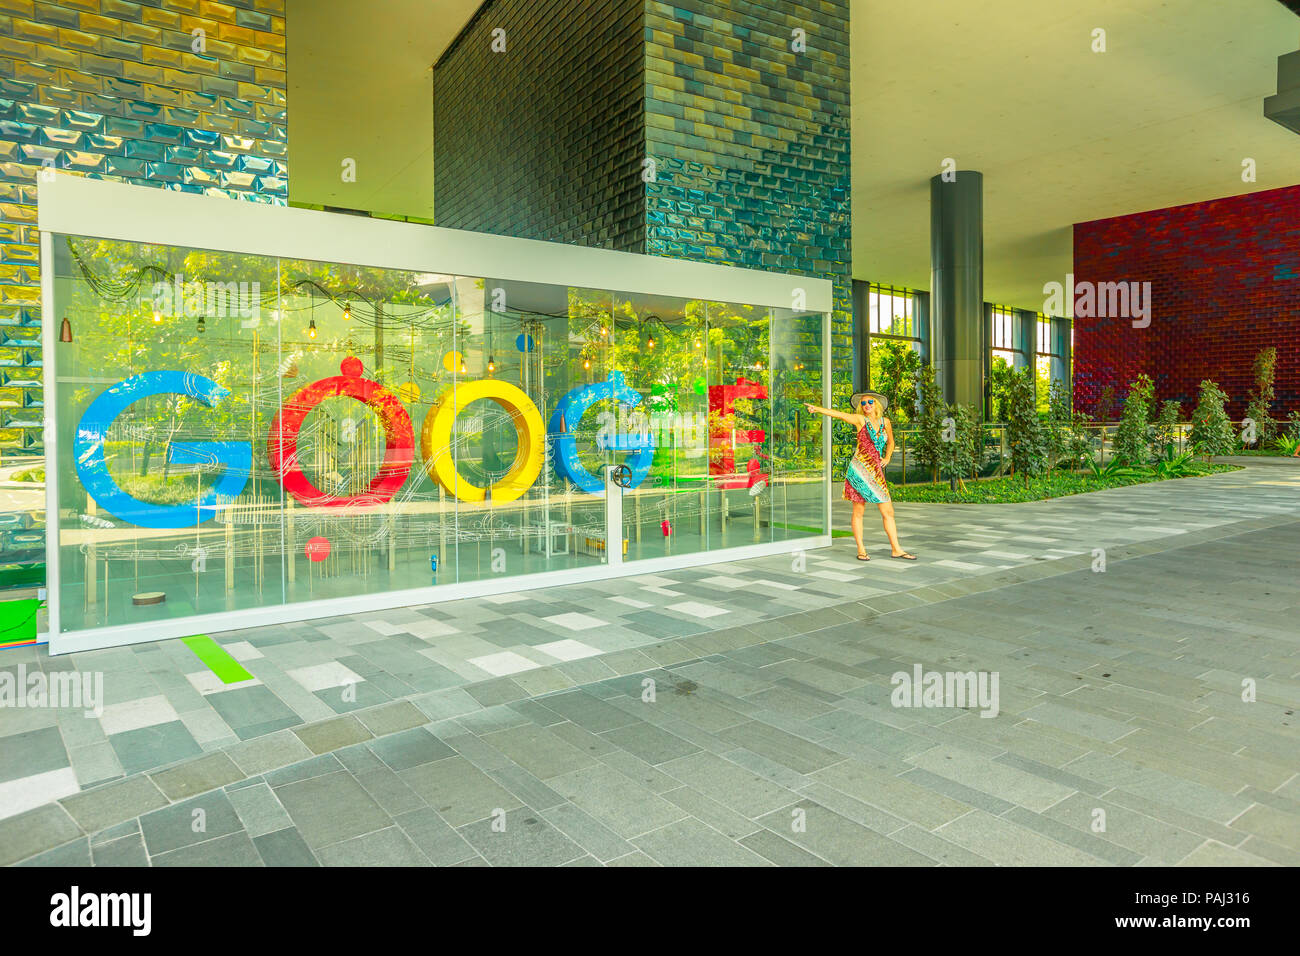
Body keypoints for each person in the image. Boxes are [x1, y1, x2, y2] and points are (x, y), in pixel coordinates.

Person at [805, 391, 916, 561]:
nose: (867, 405)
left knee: (888, 511)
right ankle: (861, 549)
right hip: (859, 471)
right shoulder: (860, 420)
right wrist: (818, 409)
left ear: (877, 404)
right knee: (858, 511)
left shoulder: (885, 422)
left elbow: (891, 442)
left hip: (876, 472)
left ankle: (896, 549)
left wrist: (887, 457)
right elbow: (839, 415)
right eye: (863, 403)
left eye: (870, 402)